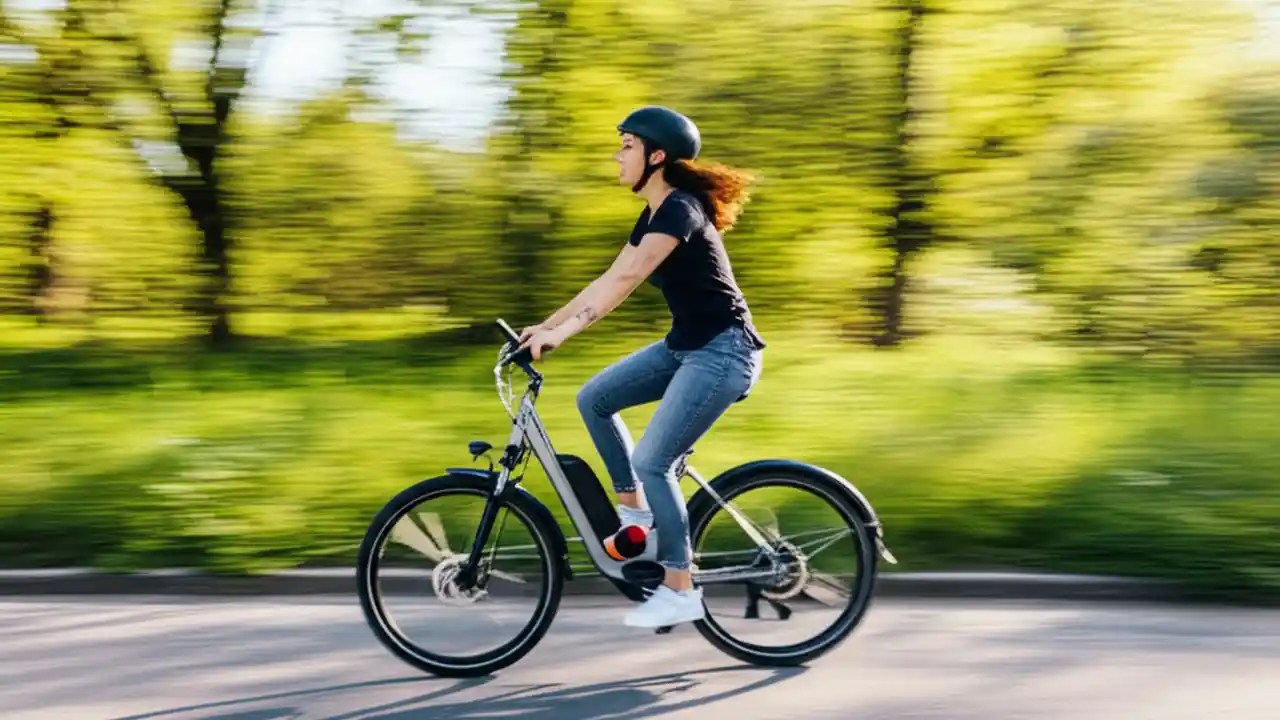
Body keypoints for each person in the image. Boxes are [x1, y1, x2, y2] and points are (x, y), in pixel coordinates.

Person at [517, 105, 766, 628]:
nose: (617, 154)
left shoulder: (681, 211)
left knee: (653, 459)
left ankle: (680, 587)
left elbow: (627, 281)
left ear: (657, 156)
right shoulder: (655, 212)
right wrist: (544, 326)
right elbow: (607, 278)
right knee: (595, 398)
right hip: (687, 346)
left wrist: (561, 334)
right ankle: (637, 516)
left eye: (627, 146)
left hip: (725, 352)